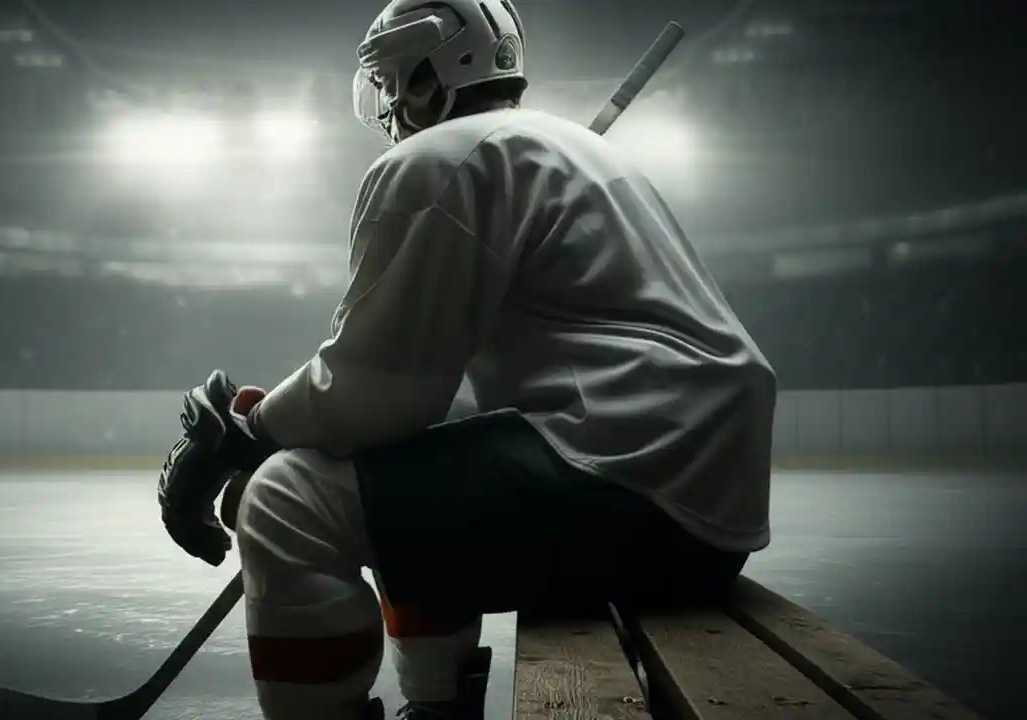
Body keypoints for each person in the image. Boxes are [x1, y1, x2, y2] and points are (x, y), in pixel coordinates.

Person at [157, 1, 777, 718]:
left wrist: (248, 436)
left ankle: (416, 707)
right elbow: (414, 404)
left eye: (391, 78)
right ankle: (437, 708)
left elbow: (376, 394)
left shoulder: (440, 158)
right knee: (391, 464)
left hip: (632, 483)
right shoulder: (566, 149)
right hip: (692, 506)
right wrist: (280, 421)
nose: (387, 100)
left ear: (430, 73)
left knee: (286, 502)